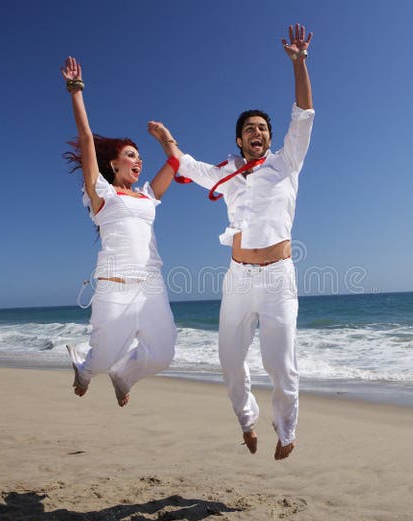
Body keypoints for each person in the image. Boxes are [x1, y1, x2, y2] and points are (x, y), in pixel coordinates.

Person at [148, 24, 314, 460]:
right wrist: (167, 141)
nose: (257, 133)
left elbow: (304, 113)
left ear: (270, 138)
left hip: (278, 278)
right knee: (229, 359)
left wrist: (299, 63)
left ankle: (287, 428)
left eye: (263, 128)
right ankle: (247, 420)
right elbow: (187, 164)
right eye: (250, 129)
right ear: (239, 139)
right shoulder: (227, 174)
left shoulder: (287, 163)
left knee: (281, 364)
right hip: (238, 279)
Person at [61, 56, 177, 406]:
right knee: (101, 359)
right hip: (115, 288)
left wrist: (165, 138)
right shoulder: (103, 195)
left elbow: (175, 164)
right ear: (114, 163)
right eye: (131, 155)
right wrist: (76, 92)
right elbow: (85, 139)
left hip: (152, 287)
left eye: (139, 156)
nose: (138, 161)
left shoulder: (146, 197)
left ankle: (124, 377)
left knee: (163, 354)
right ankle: (84, 366)